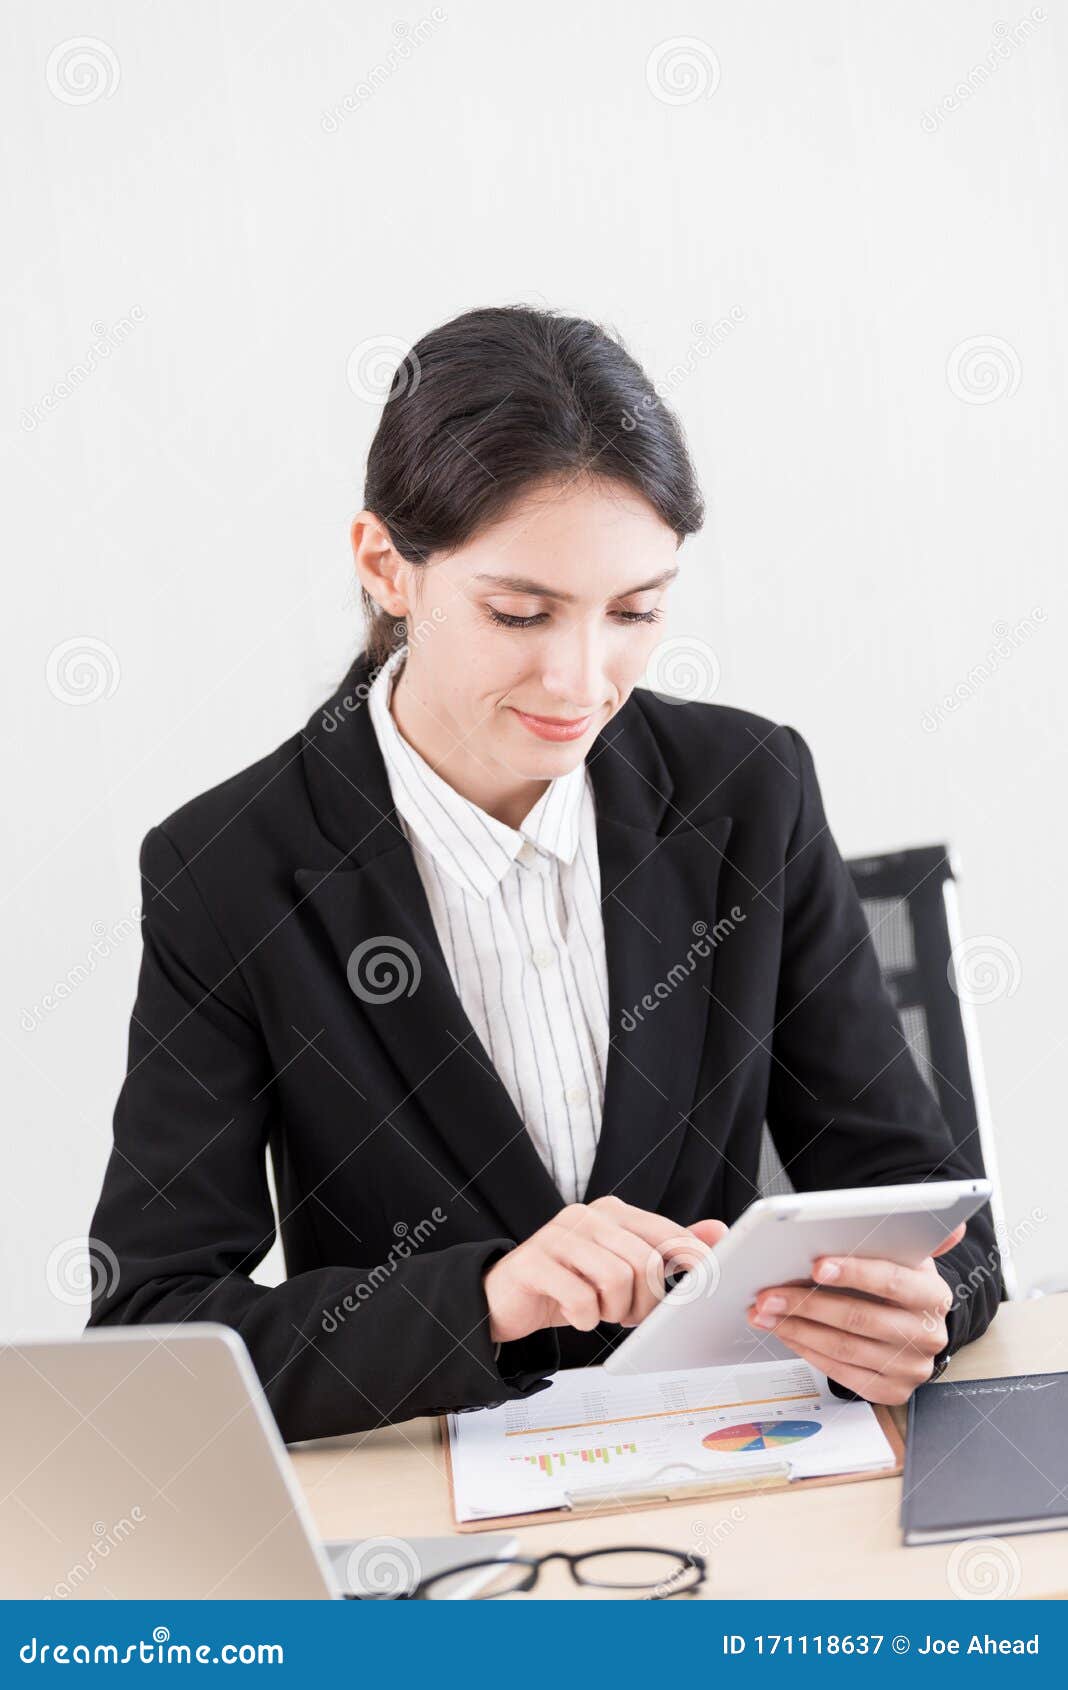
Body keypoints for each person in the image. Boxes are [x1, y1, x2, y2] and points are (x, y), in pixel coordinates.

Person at [85, 305, 1002, 1443]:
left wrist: (930, 1308)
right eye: (520, 611)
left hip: (738, 1473)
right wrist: (484, 1296)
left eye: (636, 611)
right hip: (432, 1521)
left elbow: (936, 1211)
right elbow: (150, 1339)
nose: (581, 679)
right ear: (388, 567)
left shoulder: (749, 791)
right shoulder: (228, 868)